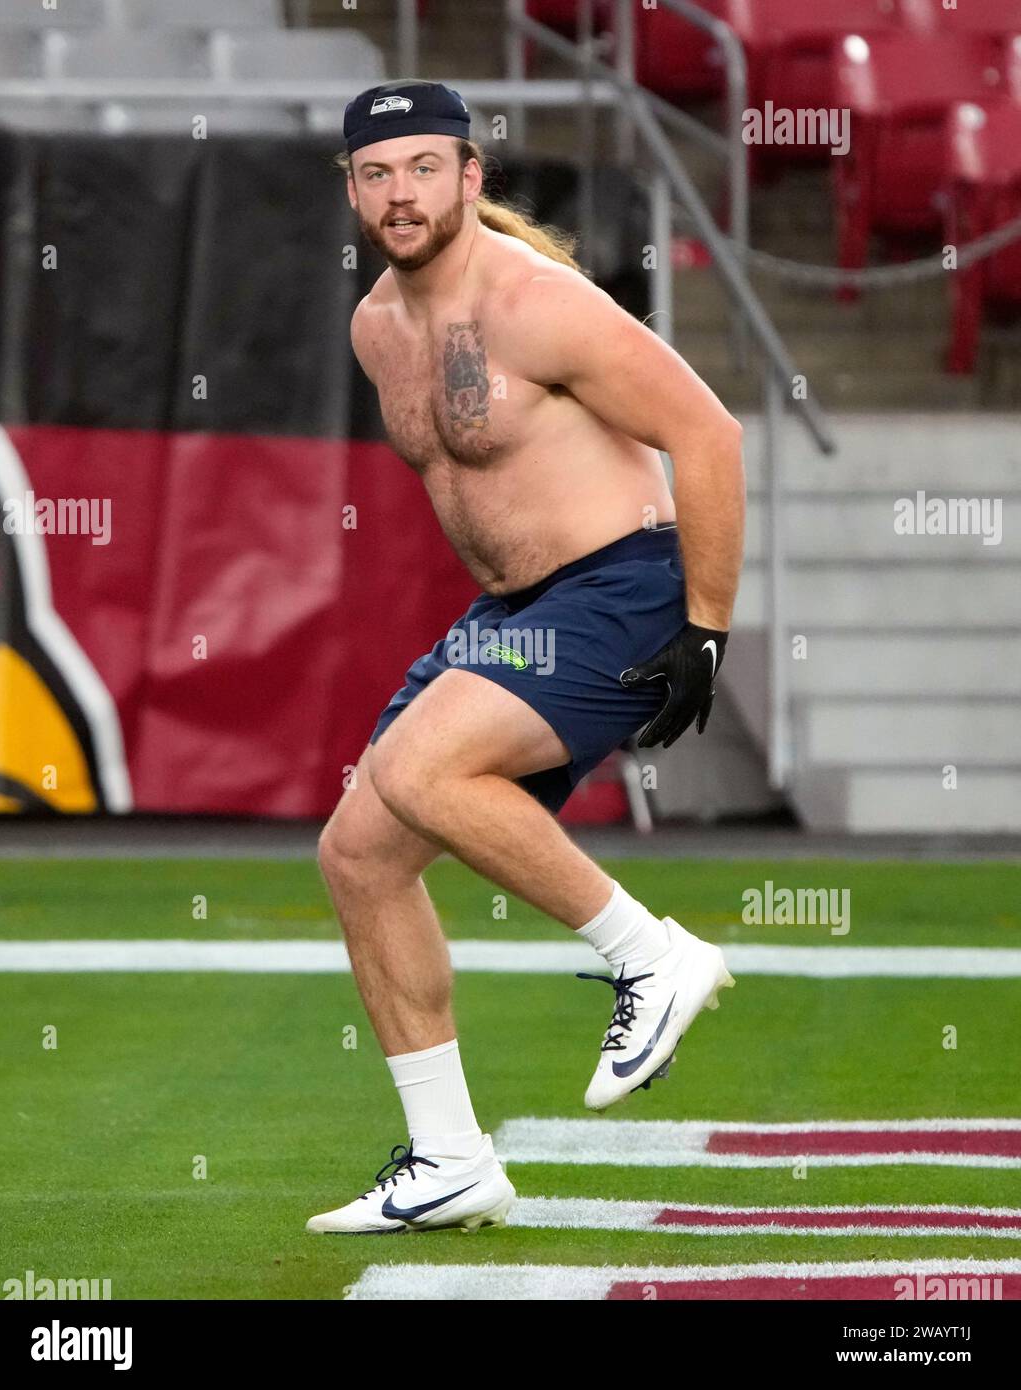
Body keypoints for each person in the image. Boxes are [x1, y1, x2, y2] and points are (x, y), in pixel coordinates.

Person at [307, 80, 744, 1235]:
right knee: (358, 850)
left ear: (469, 177)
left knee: (419, 773)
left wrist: (705, 623)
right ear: (352, 190)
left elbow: (707, 431)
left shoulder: (536, 304)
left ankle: (650, 956)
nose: (399, 193)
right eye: (375, 173)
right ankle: (450, 1160)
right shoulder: (373, 327)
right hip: (519, 605)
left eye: (420, 167)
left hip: (627, 583)